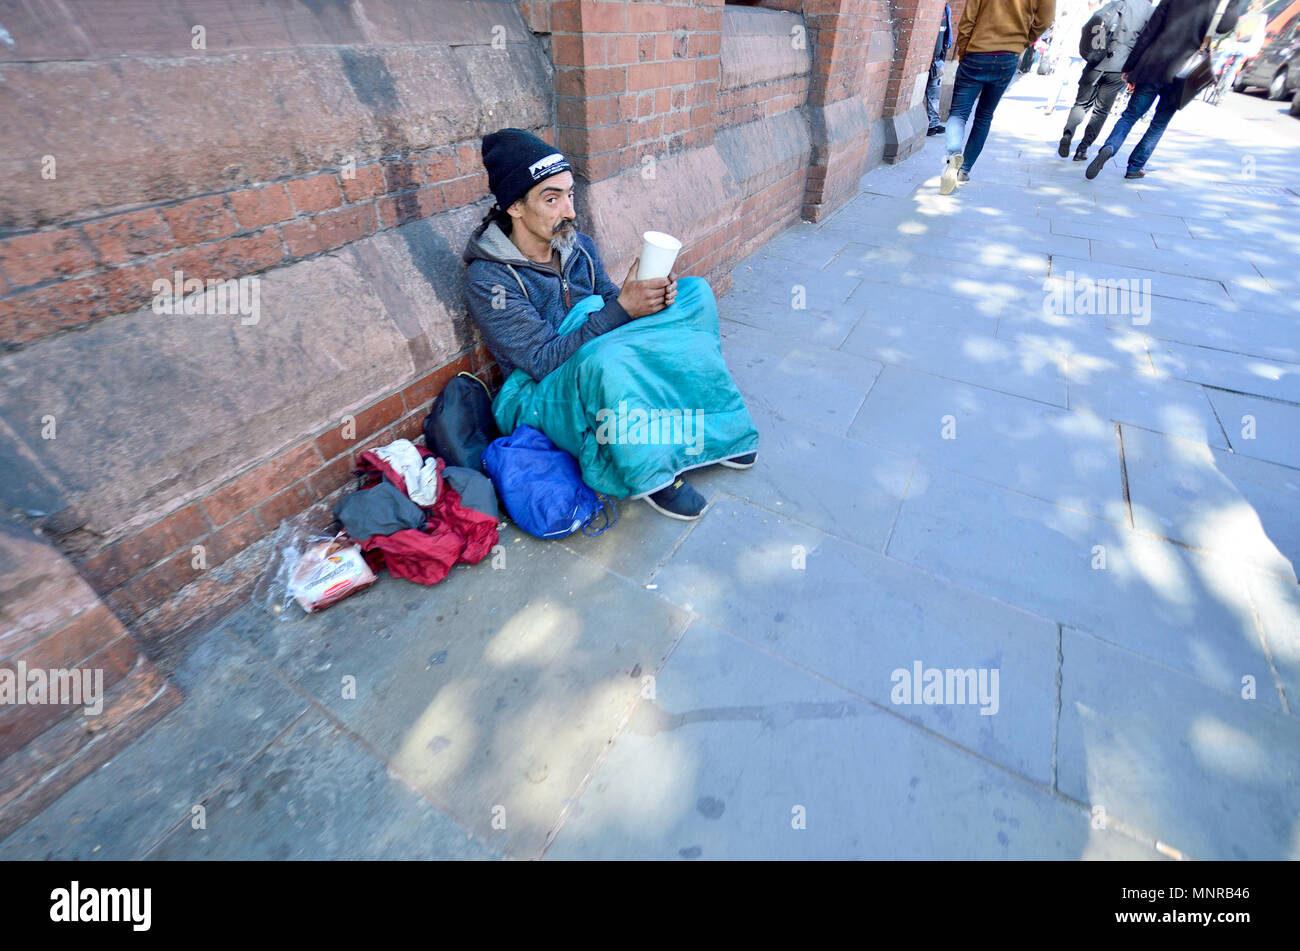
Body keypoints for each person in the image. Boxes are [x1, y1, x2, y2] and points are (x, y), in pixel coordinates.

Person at [461, 129, 759, 521]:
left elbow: (604, 301)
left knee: (695, 294)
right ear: (515, 207)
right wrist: (623, 308)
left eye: (569, 194)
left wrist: (648, 296)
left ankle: (719, 431)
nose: (568, 210)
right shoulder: (489, 280)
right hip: (536, 394)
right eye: (552, 199)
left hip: (595, 355)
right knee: (607, 358)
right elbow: (540, 359)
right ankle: (651, 472)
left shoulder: (576, 243)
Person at [1085, 0, 1246, 180]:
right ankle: (1134, 167)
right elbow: (1225, 27)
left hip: (1154, 63)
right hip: (1183, 71)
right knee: (1158, 124)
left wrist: (1130, 66)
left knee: (1130, 115)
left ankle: (1110, 147)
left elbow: (1149, 31)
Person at [942, 0, 1057, 193]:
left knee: (959, 113)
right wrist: (1022, 41)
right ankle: (965, 169)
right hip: (1008, 55)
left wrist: (964, 50)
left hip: (977, 51)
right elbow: (1044, 21)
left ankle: (953, 153)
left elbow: (968, 19)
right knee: (984, 116)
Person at [1057, 0, 1155, 162]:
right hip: (1119, 67)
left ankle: (1068, 133)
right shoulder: (1149, 11)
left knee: (1081, 103)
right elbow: (1145, 43)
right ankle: (1082, 150)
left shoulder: (1115, 2)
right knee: (1101, 111)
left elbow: (1094, 23)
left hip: (1096, 61)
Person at [927, 4, 956, 135]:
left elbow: (947, 32)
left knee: (934, 92)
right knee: (931, 92)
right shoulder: (936, 7)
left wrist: (948, 45)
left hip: (938, 58)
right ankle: (931, 123)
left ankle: (933, 123)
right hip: (930, 57)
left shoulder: (946, 9)